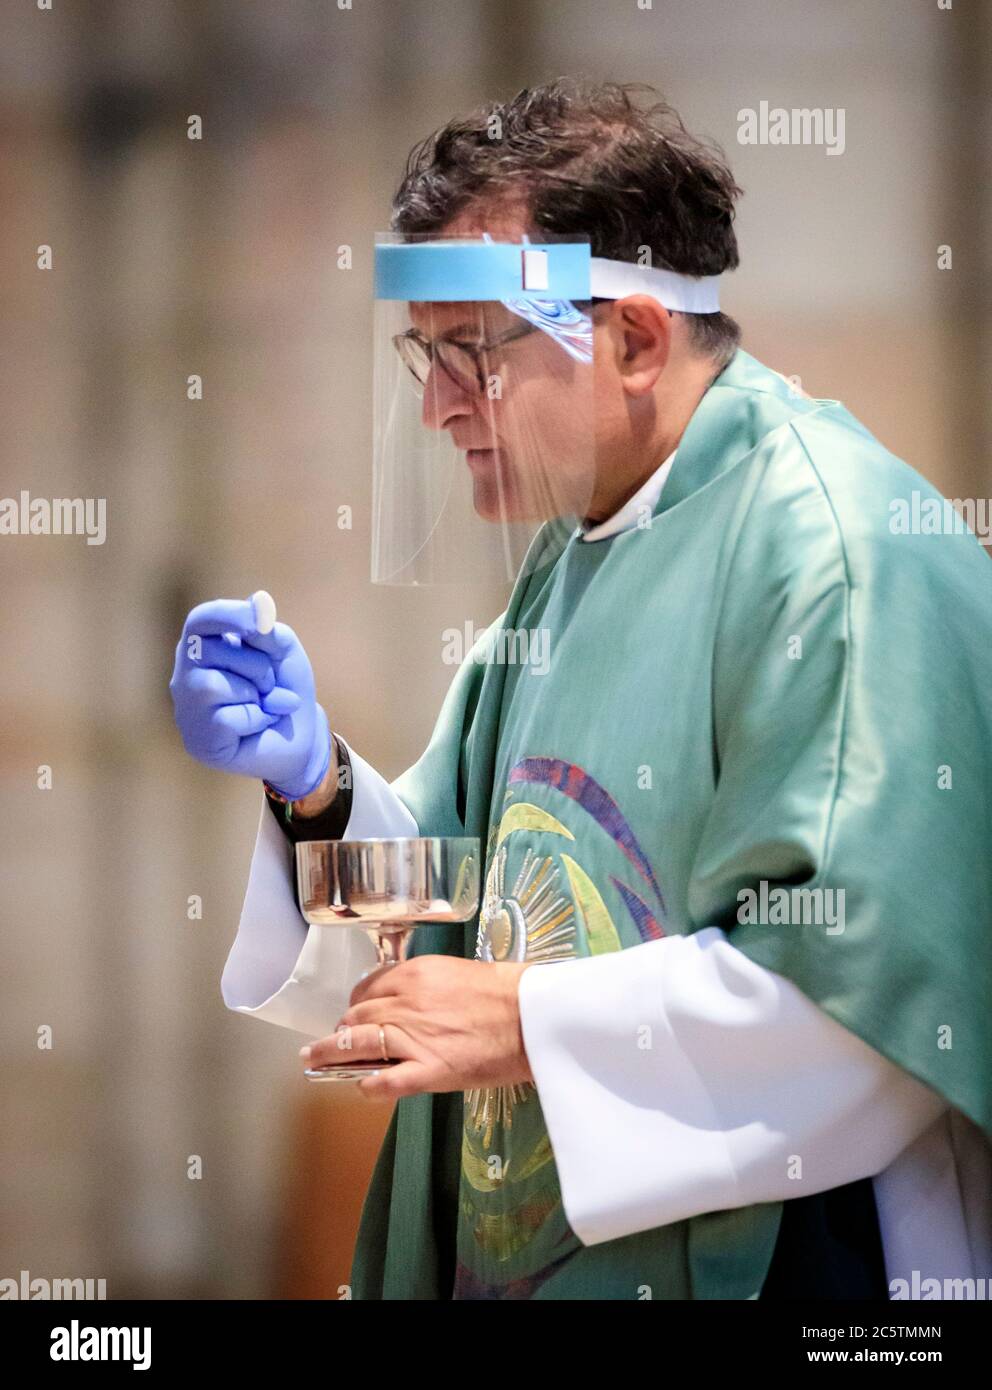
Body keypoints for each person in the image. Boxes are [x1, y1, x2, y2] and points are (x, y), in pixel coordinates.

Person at [169, 79, 992, 1301]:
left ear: (635, 339)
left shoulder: (841, 548)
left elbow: (870, 1006)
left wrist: (526, 1022)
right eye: (423, 354)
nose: (440, 406)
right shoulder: (574, 554)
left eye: (471, 354)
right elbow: (470, 900)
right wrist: (318, 790)